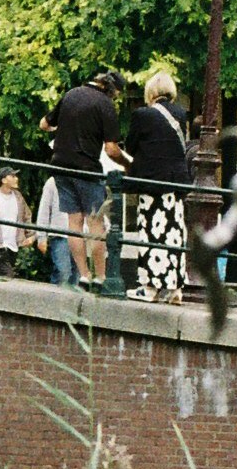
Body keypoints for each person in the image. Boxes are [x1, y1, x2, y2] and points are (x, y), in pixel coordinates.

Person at [46, 70, 126, 287]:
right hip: (86, 167)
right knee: (95, 224)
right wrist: (128, 163)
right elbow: (110, 148)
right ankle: (101, 278)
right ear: (112, 90)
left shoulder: (71, 94)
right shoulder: (105, 104)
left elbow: (44, 124)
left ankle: (83, 275)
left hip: (61, 165)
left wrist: (63, 128)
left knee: (74, 222)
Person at [123, 67, 194, 301]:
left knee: (152, 232)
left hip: (152, 183)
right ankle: (176, 288)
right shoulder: (181, 114)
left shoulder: (143, 115)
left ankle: (150, 287)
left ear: (151, 91)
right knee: (173, 232)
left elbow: (131, 147)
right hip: (176, 183)